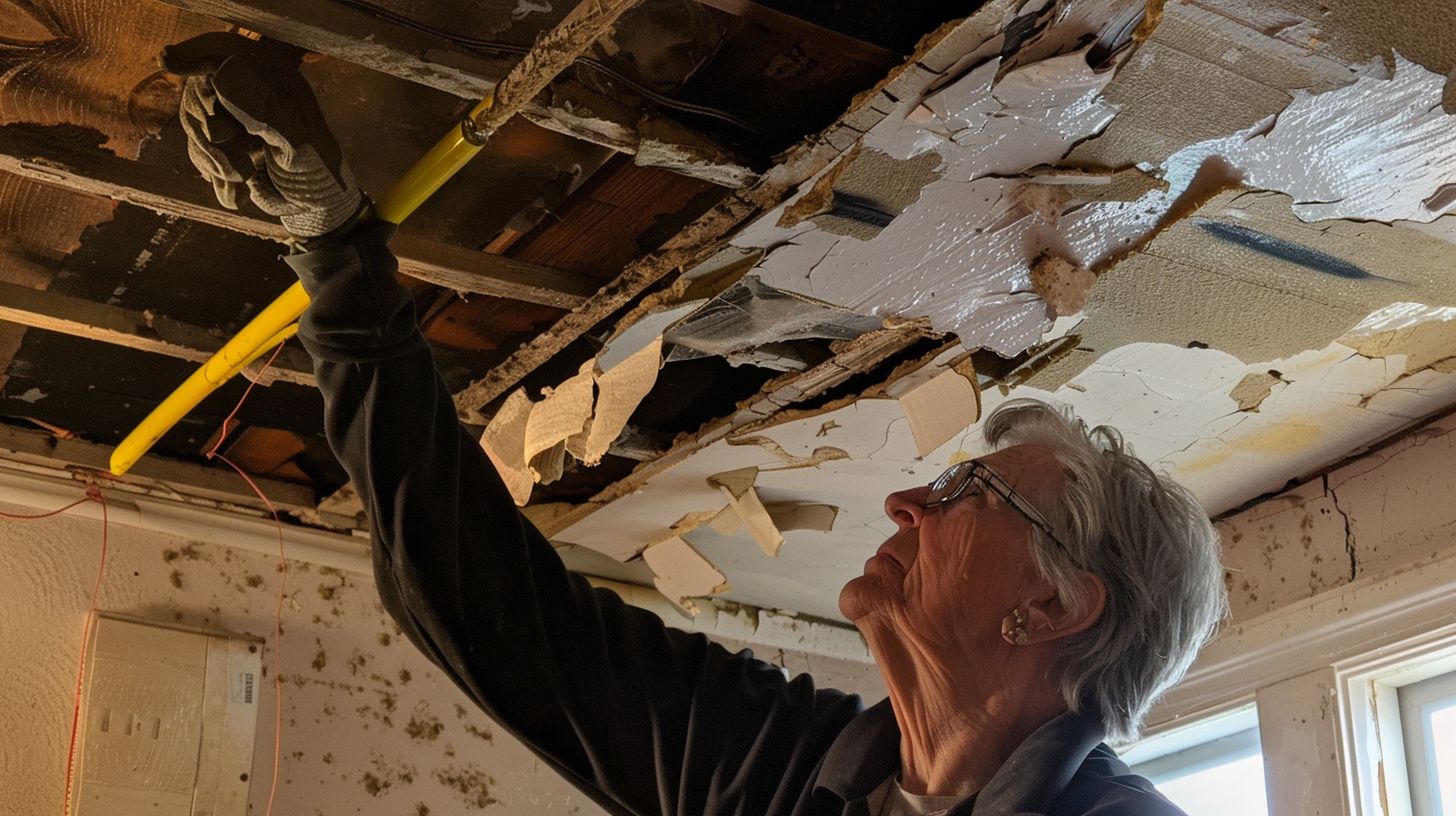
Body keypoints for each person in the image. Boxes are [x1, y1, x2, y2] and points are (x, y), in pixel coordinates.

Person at [163, 35, 1228, 816]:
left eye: (964, 496)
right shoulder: (783, 763)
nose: (905, 499)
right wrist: (337, 253)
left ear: (1050, 605)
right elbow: (478, 599)